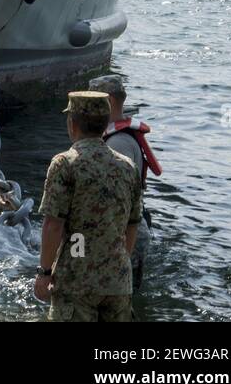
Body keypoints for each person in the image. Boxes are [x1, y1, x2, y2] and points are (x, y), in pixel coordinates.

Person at [35, 91, 142, 322]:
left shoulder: (65, 163)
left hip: (77, 281)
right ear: (105, 125)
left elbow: (53, 224)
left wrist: (44, 273)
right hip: (118, 282)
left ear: (72, 124)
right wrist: (119, 262)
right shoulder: (128, 166)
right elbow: (133, 223)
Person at [90, 73, 162, 288]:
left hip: (123, 236)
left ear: (109, 101)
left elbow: (113, 198)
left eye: (91, 102)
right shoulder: (119, 137)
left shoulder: (117, 144)